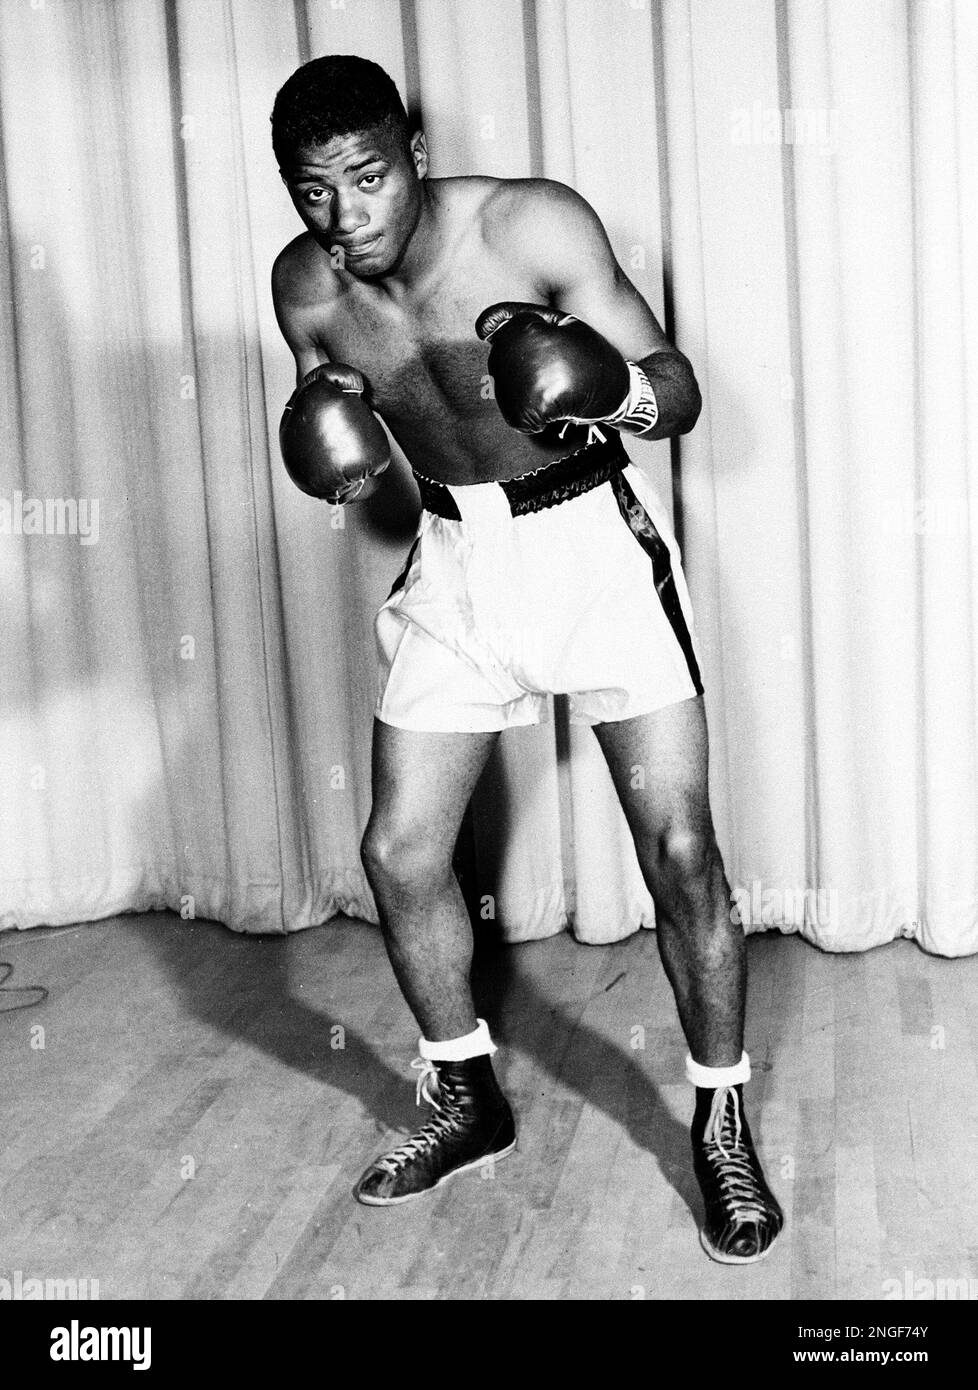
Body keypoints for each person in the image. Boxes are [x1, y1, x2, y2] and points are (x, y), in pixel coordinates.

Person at [270, 54, 783, 1263]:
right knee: (399, 852)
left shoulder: (529, 223)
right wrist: (323, 428)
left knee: (682, 851)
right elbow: (346, 452)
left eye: (368, 177)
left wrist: (612, 396)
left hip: (591, 546)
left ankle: (720, 1120)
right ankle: (468, 1098)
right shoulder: (304, 286)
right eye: (315, 190)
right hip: (456, 561)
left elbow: (677, 391)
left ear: (415, 152)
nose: (347, 216)